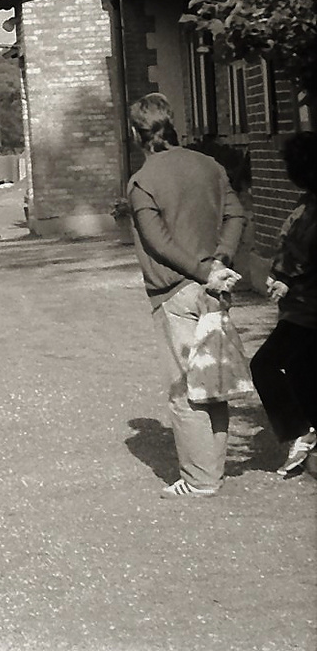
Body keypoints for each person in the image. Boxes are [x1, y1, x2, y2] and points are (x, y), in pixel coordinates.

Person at [124, 93, 246, 499]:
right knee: (212, 381)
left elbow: (157, 242)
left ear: (135, 133)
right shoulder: (209, 166)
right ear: (173, 123)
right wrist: (219, 262)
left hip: (175, 291)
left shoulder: (143, 181)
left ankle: (199, 480)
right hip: (215, 288)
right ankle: (213, 470)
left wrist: (201, 270)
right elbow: (235, 214)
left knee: (184, 389)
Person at [251, 131, 317, 480]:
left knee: (265, 365)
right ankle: (306, 437)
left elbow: (300, 253)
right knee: (302, 371)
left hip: (307, 311)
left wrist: (284, 278)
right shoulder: (306, 204)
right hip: (301, 307)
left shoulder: (310, 211)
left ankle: (299, 432)